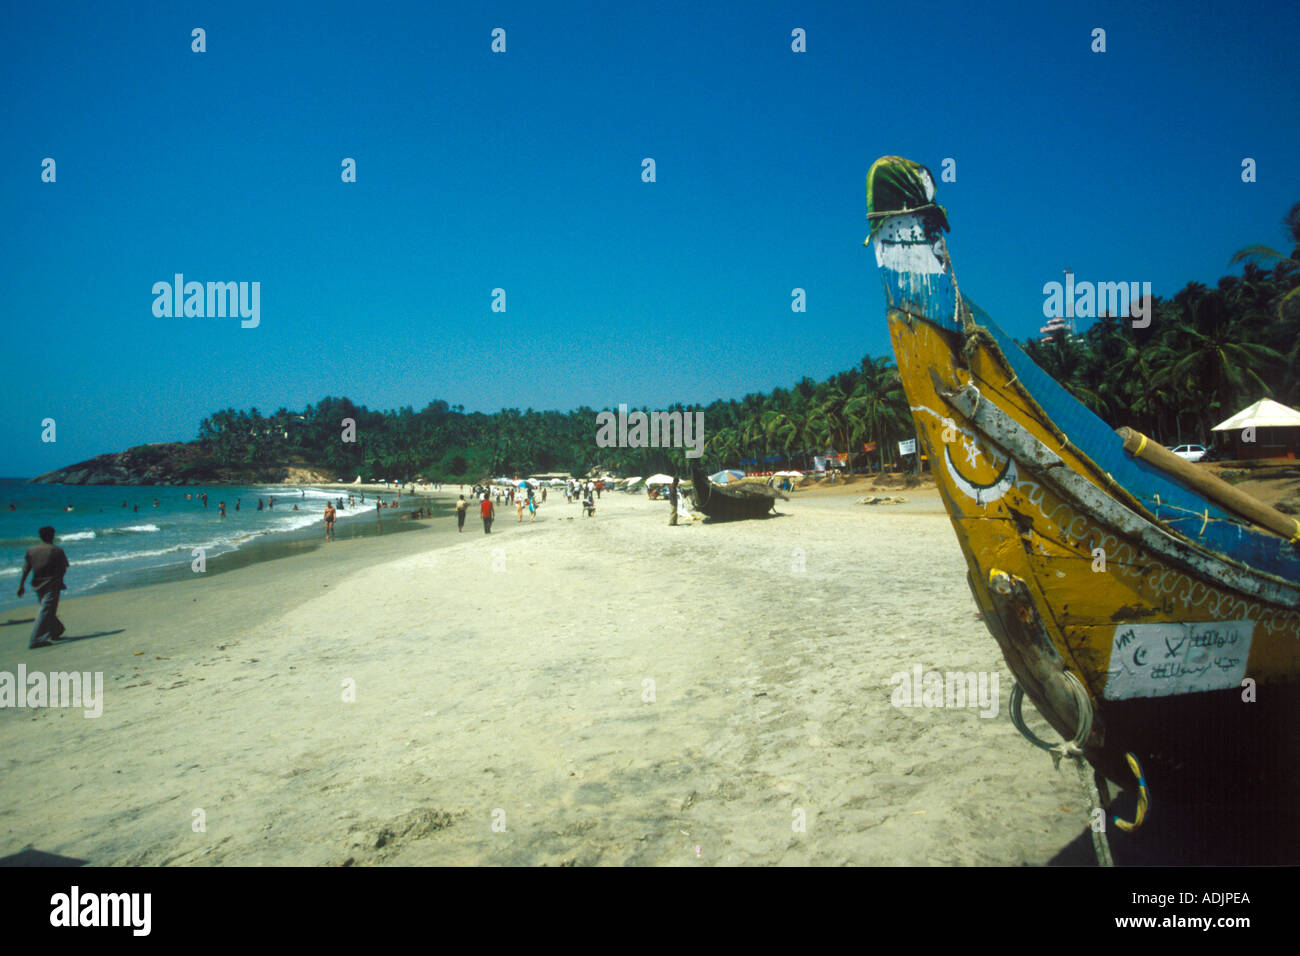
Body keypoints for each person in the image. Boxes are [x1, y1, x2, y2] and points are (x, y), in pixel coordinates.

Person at [17, 526, 69, 648]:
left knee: (46, 609)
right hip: (52, 584)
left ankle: (56, 630)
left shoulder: (31, 550)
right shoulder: (57, 550)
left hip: (37, 584)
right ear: (52, 535)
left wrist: (21, 585)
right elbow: (63, 568)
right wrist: (59, 580)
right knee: (46, 610)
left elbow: (26, 569)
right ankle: (36, 639)